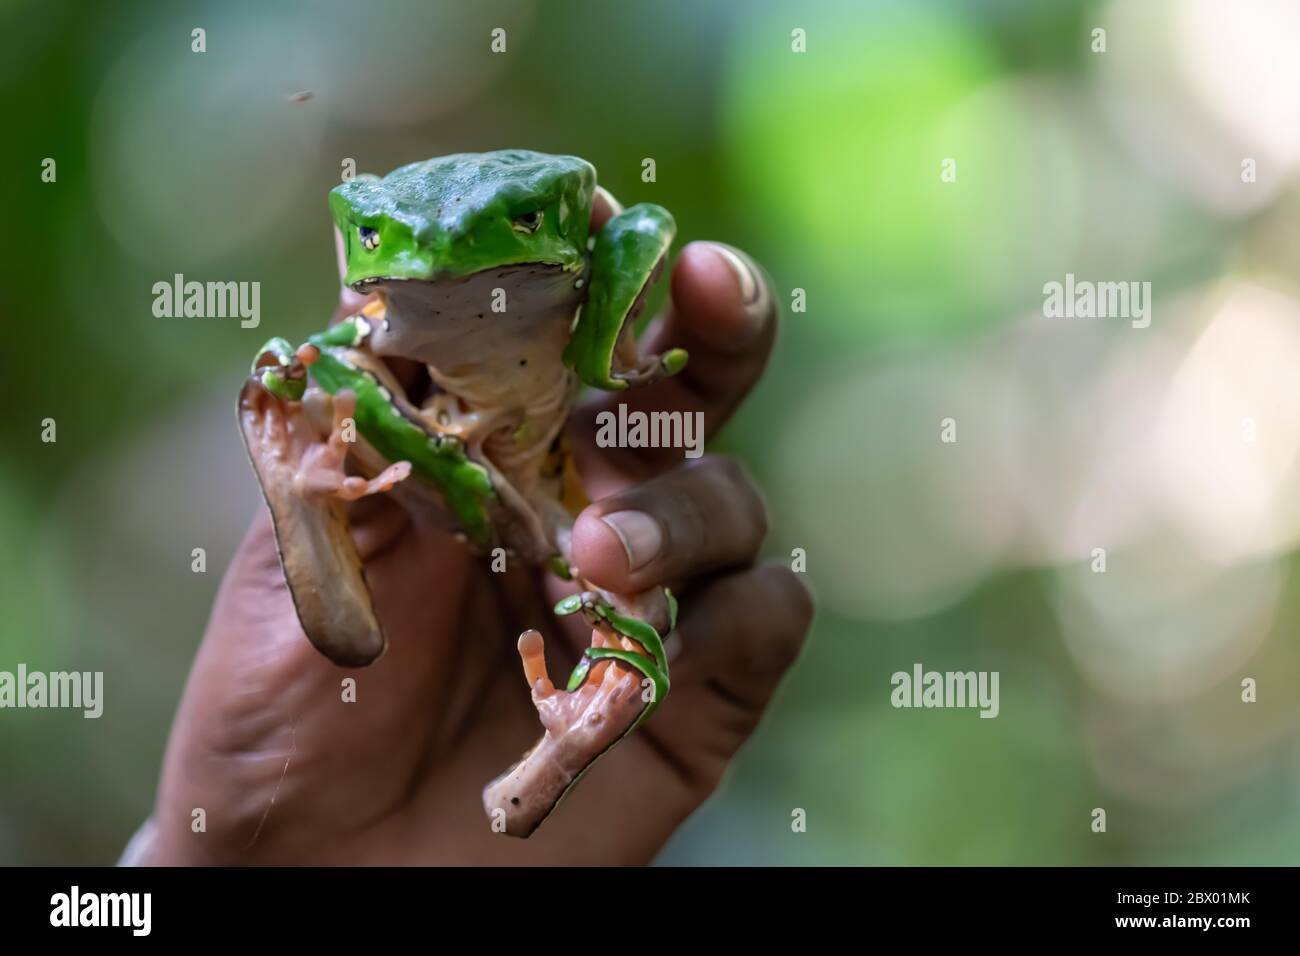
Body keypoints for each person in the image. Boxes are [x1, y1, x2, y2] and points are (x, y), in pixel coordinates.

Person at [124, 189, 813, 865]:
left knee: (636, 600)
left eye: (516, 215)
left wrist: (606, 345)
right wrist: (213, 852)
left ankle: (548, 764)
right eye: (383, 233)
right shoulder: (369, 337)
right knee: (281, 380)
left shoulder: (581, 260)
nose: (447, 250)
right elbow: (316, 366)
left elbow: (640, 226)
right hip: (440, 434)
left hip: (551, 475)